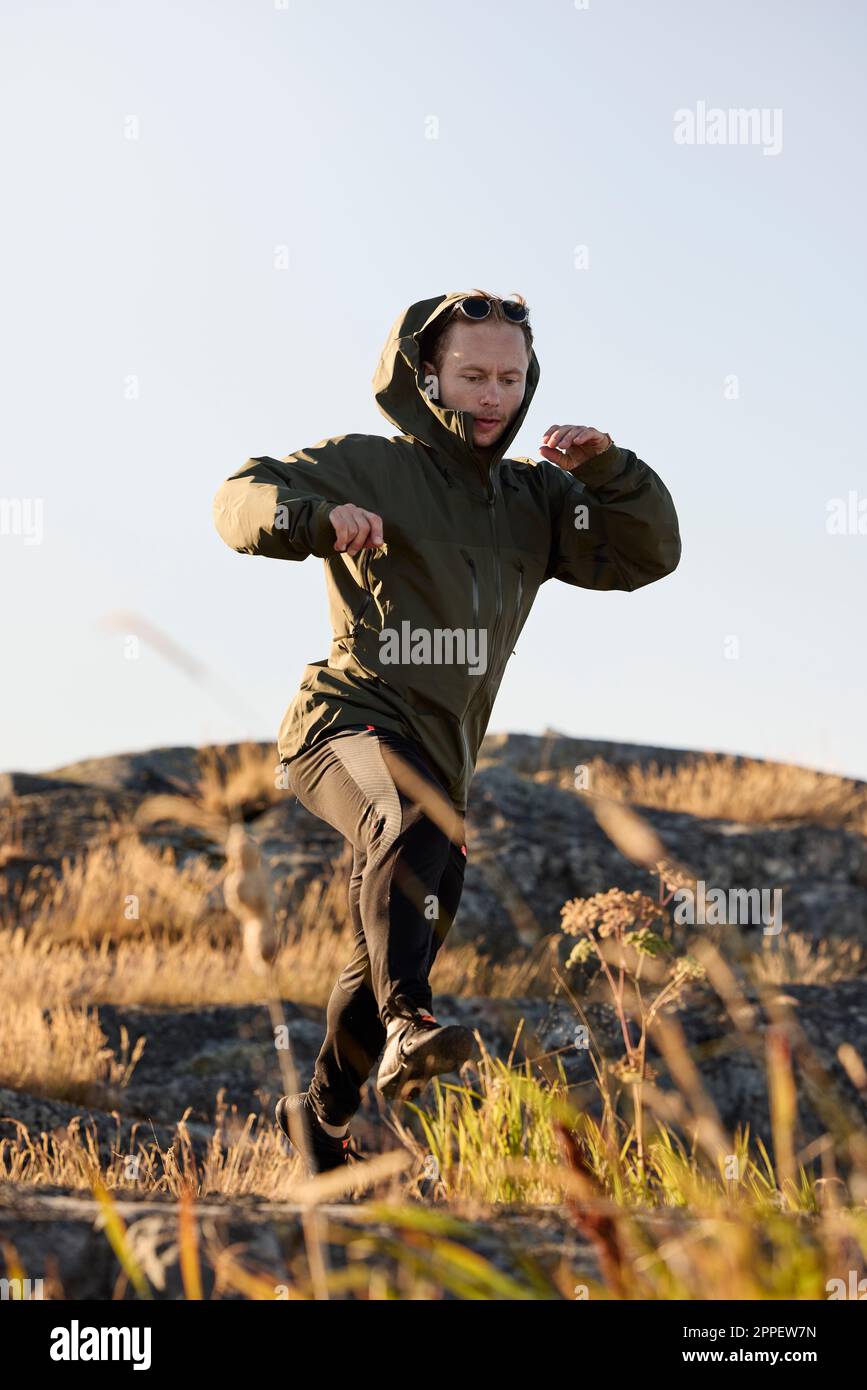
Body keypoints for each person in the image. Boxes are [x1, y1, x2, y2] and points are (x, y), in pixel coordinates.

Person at [212, 289, 681, 1174]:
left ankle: (321, 1122)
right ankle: (409, 1024)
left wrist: (608, 471)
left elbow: (644, 556)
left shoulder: (535, 498)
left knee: (384, 943)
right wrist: (315, 519)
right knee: (412, 827)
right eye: (471, 375)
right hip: (343, 725)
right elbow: (239, 498)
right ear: (426, 375)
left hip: (443, 753)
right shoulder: (367, 465)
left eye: (510, 376)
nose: (492, 395)